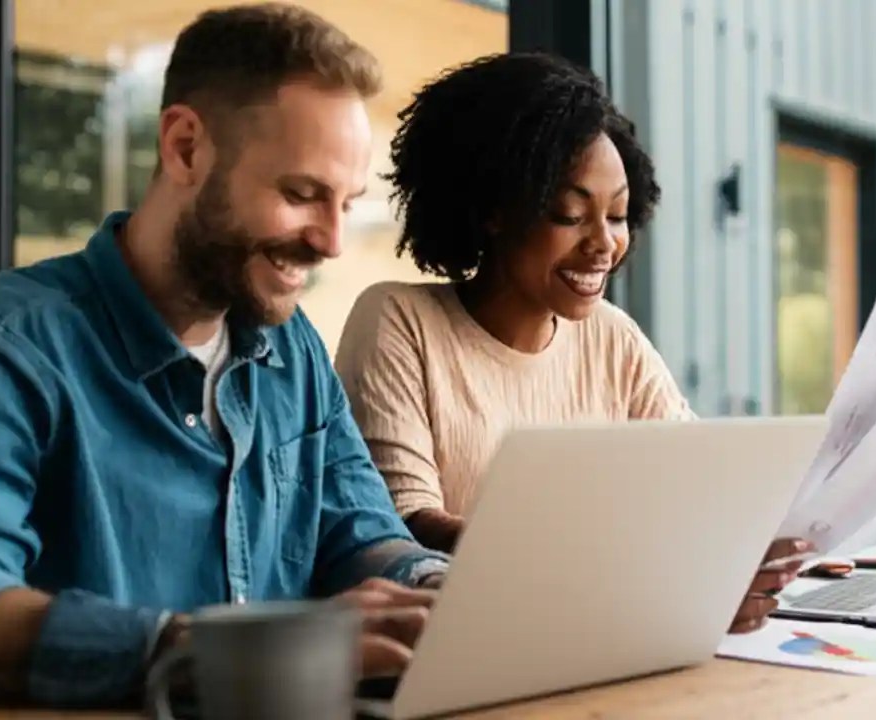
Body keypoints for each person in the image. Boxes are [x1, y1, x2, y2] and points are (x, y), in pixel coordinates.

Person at [0, 5, 450, 717]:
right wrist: (197, 649)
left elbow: (359, 533)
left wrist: (438, 591)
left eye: (347, 203)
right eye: (300, 195)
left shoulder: (292, 349)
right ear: (186, 147)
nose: (331, 242)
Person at [333, 52, 809, 632]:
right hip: (478, 639)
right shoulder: (399, 320)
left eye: (618, 216)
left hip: (605, 630)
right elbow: (403, 524)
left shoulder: (614, 338)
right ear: (493, 210)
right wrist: (623, 572)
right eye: (570, 213)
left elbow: (696, 492)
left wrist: (737, 557)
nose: (603, 244)